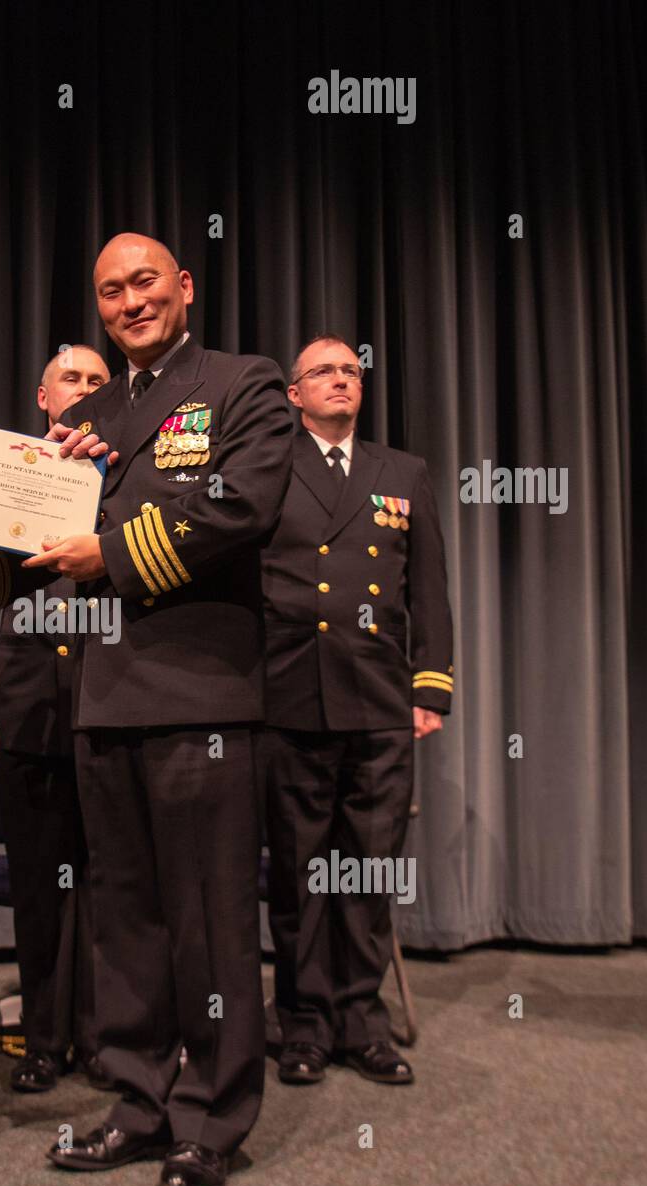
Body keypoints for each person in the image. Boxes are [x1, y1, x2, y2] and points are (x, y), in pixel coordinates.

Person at [24, 233, 295, 1186]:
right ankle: (137, 1103)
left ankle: (210, 1120)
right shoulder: (87, 411)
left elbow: (240, 506)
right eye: (109, 292)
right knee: (126, 918)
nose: (129, 302)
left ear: (182, 286)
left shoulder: (243, 381)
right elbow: (45, 523)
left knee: (209, 918)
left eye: (144, 283)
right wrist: (46, 497)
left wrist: (109, 551)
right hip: (103, 689)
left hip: (201, 692)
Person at [259, 334, 453, 1088]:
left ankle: (362, 1022)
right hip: (291, 693)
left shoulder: (401, 471)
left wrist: (428, 687)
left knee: (368, 870)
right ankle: (303, 1024)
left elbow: (427, 585)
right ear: (293, 395)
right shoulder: (270, 467)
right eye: (324, 372)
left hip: (377, 698)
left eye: (351, 371)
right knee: (301, 873)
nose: (341, 380)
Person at [0, 345, 111, 1093]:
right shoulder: (6, 472)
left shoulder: (127, 475)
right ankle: (44, 1042)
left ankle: (102, 1038)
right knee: (40, 888)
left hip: (106, 706)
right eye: (72, 380)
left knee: (107, 885)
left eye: (97, 380)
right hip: (26, 710)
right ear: (43, 397)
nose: (85, 389)